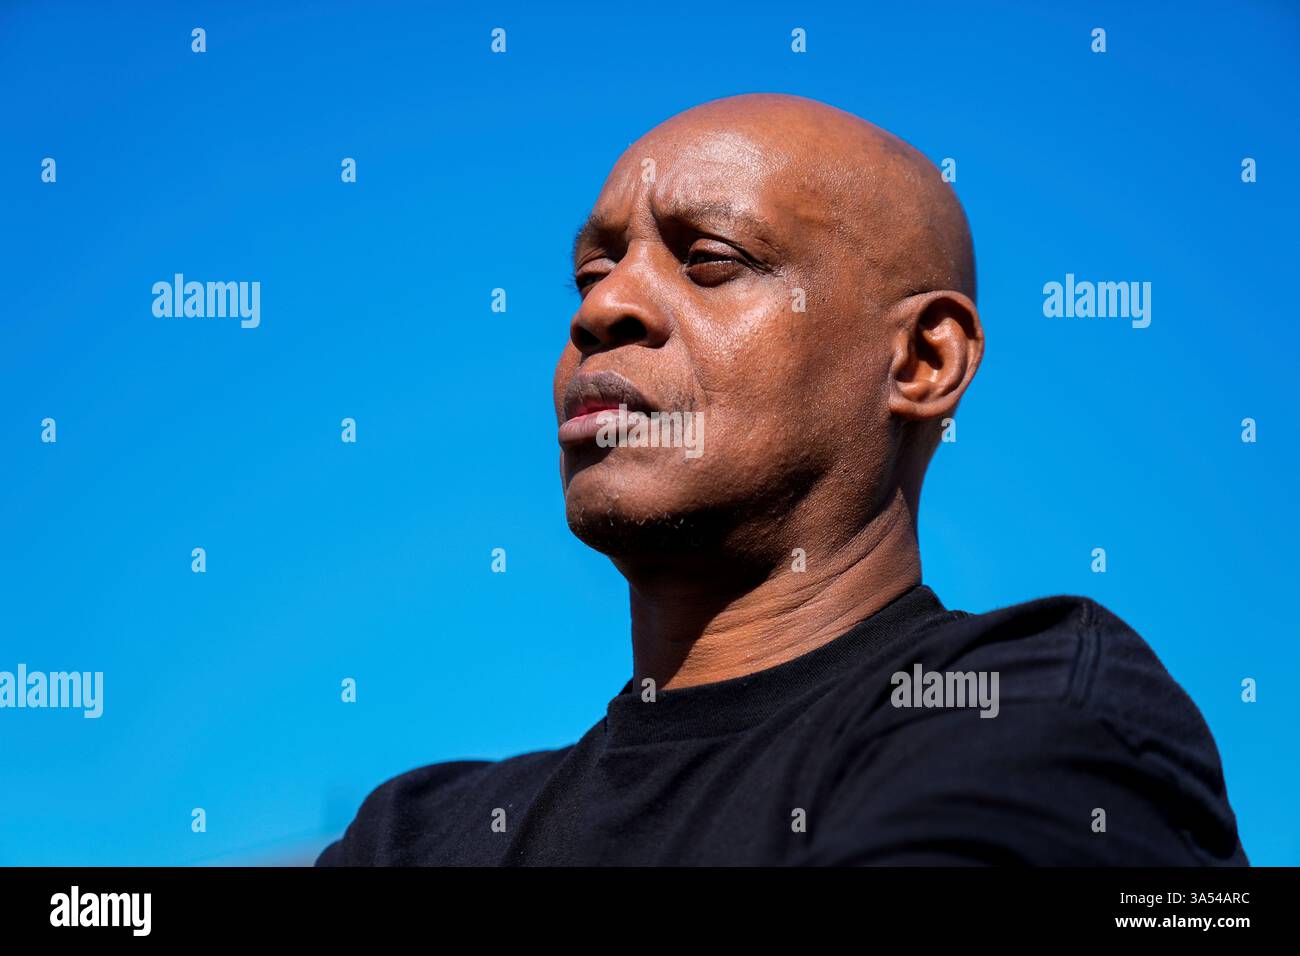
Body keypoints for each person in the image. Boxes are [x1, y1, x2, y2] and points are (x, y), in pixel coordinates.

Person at [317, 93, 1246, 866]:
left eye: (711, 260)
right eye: (593, 271)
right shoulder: (416, 837)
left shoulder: (1017, 708)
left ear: (923, 360)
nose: (605, 307)